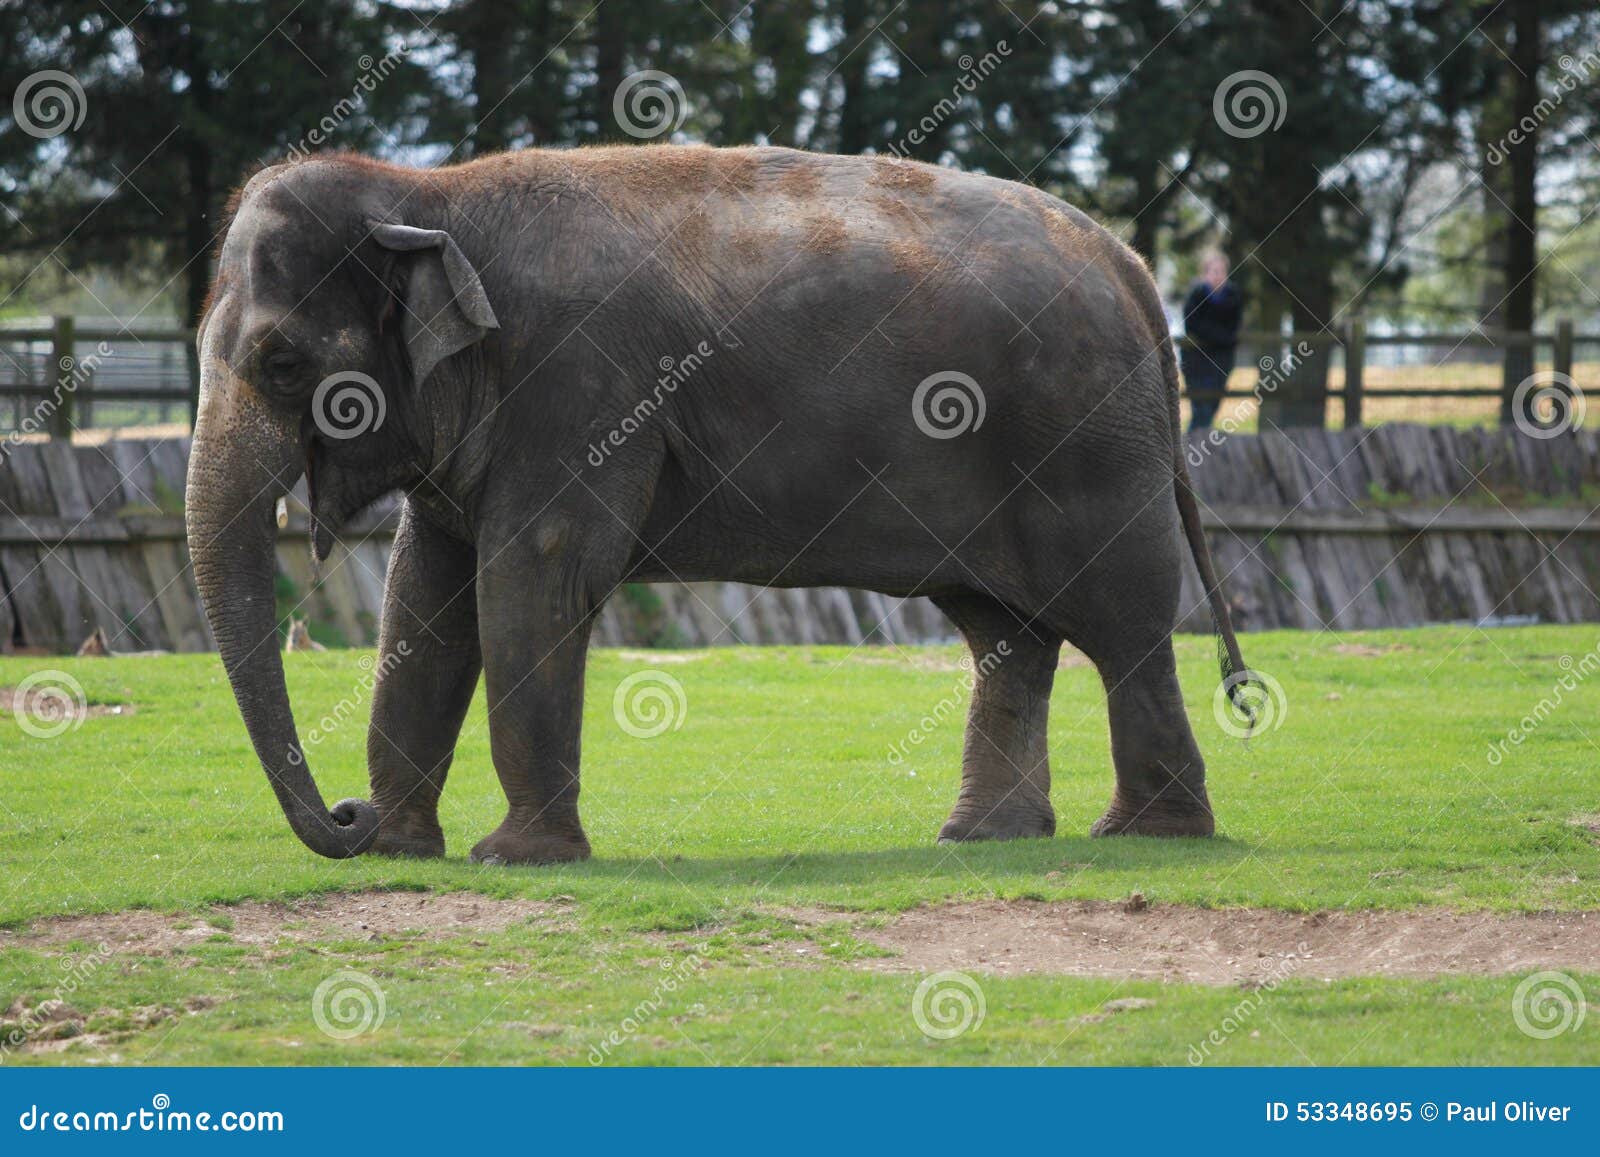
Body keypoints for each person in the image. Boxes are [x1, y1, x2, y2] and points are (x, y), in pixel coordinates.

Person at [1180, 251, 1242, 431]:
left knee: (1212, 405)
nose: (1218, 276)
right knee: (1201, 410)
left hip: (1221, 361)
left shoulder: (1233, 297)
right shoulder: (1196, 296)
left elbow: (1233, 329)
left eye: (1221, 271)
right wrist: (1219, 337)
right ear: (1205, 274)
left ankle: (1198, 445)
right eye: (1214, 271)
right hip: (1196, 362)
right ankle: (1195, 447)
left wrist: (1216, 337)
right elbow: (1193, 325)